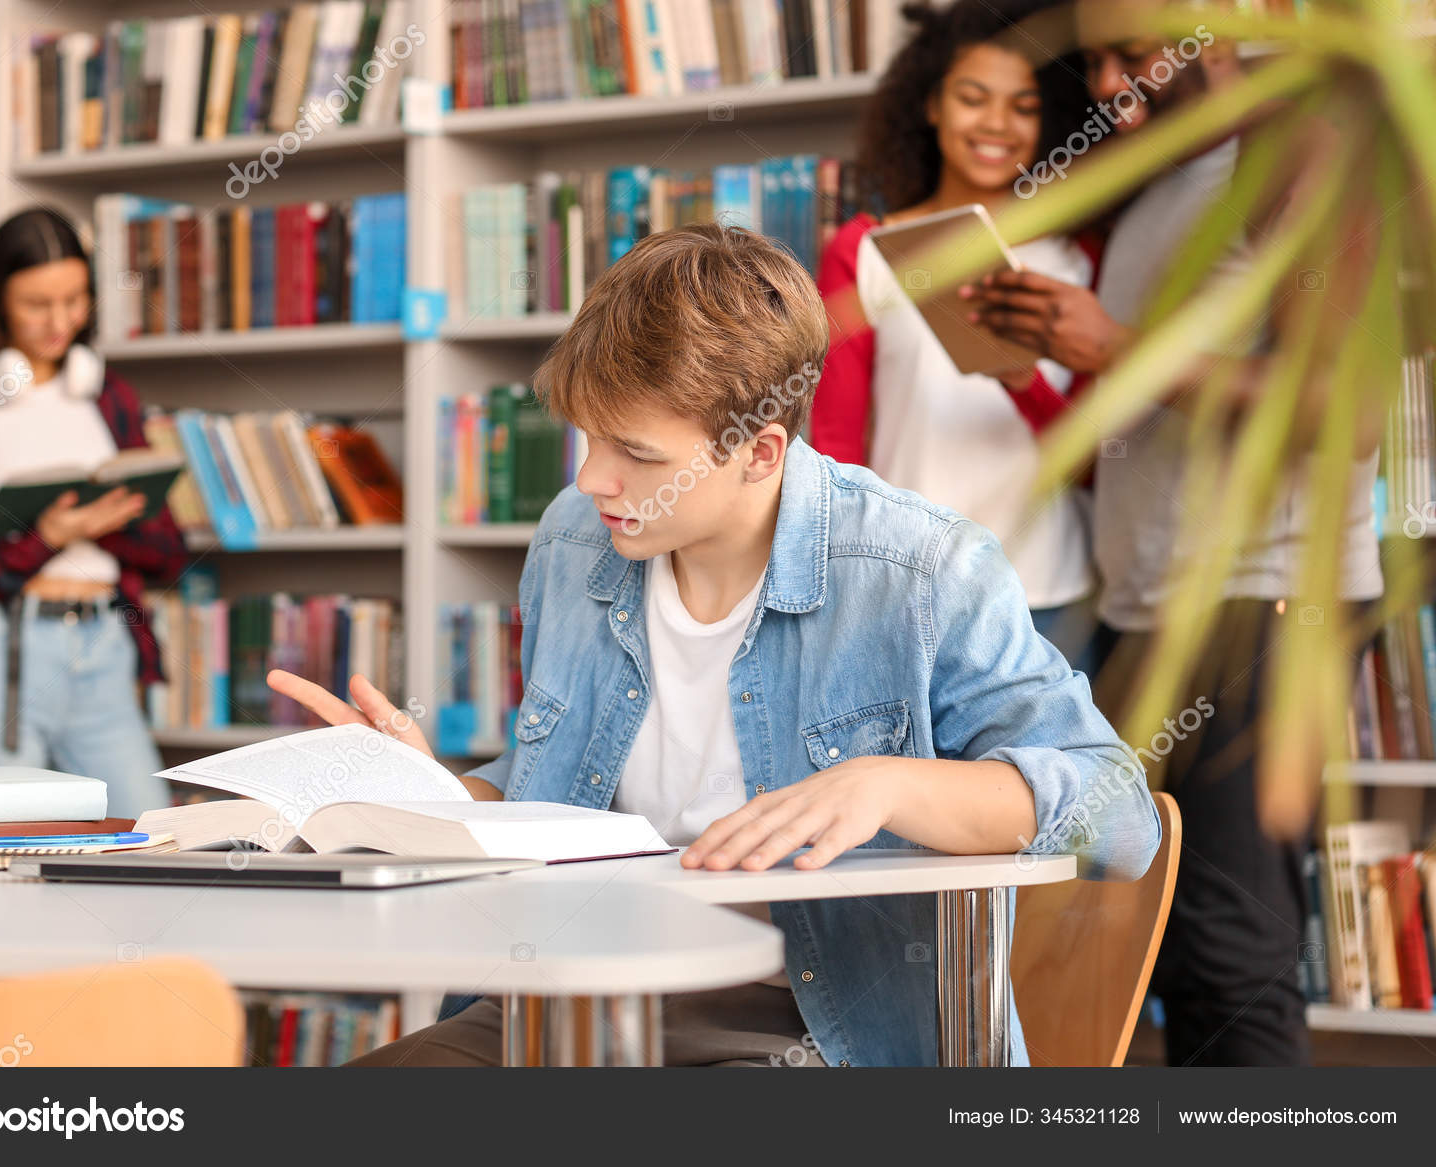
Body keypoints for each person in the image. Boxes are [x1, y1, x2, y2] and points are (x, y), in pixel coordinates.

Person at [268, 223, 1161, 1067]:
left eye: (636, 454)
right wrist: (422, 792)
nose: (592, 480)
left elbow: (1121, 815)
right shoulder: (578, 539)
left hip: (810, 1027)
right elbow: (567, 781)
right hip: (569, 996)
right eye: (587, 438)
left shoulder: (921, 569)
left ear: (761, 451)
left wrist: (890, 782)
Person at [968, 22, 1383, 1066]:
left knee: (1230, 955)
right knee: (1134, 933)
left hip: (1262, 601)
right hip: (1144, 609)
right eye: (1095, 60)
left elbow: (1349, 408)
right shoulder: (1164, 186)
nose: (1109, 85)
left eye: (1134, 51)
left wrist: (1112, 348)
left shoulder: (1295, 151)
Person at [812, 0, 1101, 671]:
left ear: (1047, 120)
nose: (996, 124)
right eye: (974, 98)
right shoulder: (865, 251)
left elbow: (1096, 456)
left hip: (1046, 591)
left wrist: (1022, 380)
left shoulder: (1077, 256)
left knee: (1050, 778)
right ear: (933, 104)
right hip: (903, 585)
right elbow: (834, 442)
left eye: (1022, 106)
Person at [0, 207, 189, 817]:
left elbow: (169, 553)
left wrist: (99, 527)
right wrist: (46, 538)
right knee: (4, 854)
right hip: (3, 652)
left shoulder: (111, 398)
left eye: (74, 300)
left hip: (106, 651)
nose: (59, 322)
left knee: (153, 838)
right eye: (37, 303)